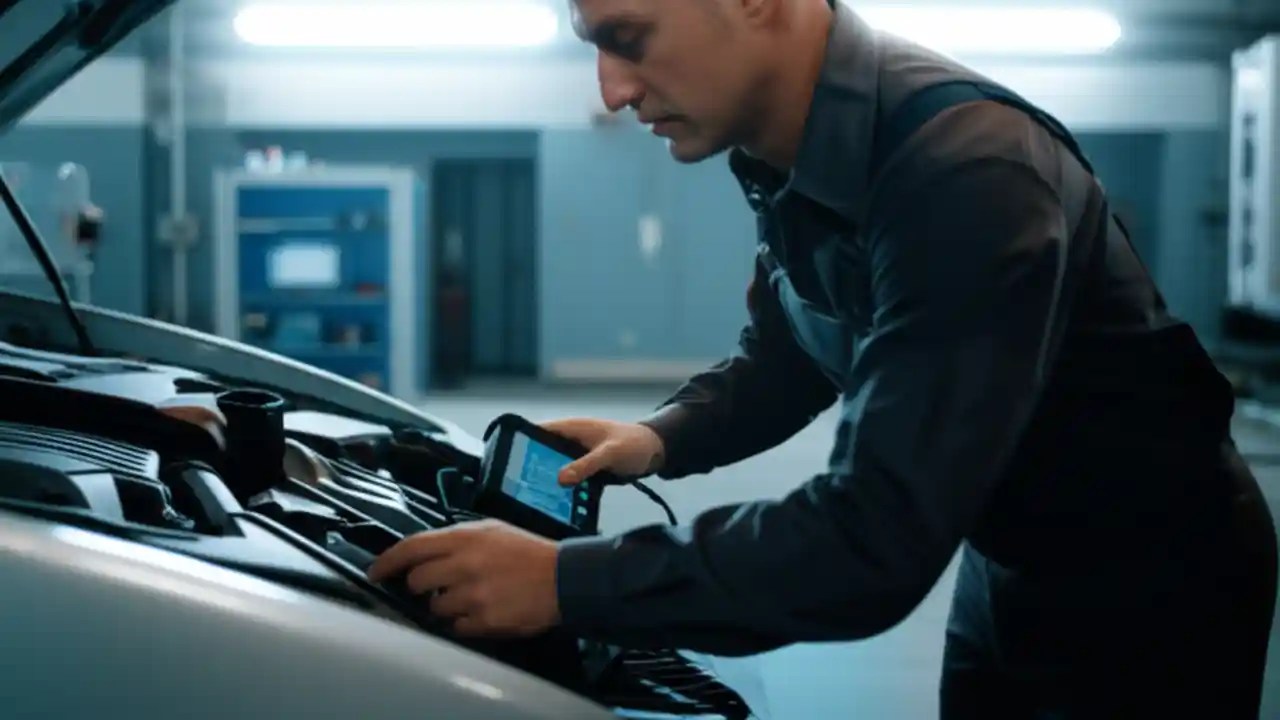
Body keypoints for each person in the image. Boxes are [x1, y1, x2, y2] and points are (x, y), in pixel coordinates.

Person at [369, 0, 1279, 716]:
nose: (609, 90)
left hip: (1151, 583)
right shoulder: (783, 151)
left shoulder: (967, 172)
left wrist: (566, 584)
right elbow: (798, 346)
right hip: (1009, 558)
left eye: (630, 38)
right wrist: (659, 439)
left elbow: (870, 537)